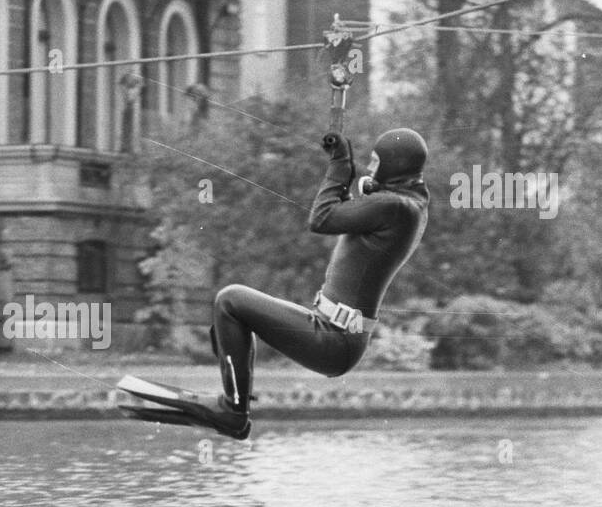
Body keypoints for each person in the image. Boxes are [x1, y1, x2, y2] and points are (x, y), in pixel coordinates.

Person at [162, 128, 430, 440]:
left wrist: (340, 166)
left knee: (230, 300)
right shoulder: (413, 204)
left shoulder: (394, 208)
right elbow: (367, 198)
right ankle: (232, 401)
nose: (370, 170)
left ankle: (233, 411)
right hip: (336, 333)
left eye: (375, 163)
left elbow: (322, 218)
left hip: (335, 338)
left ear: (394, 167)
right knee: (234, 311)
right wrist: (362, 182)